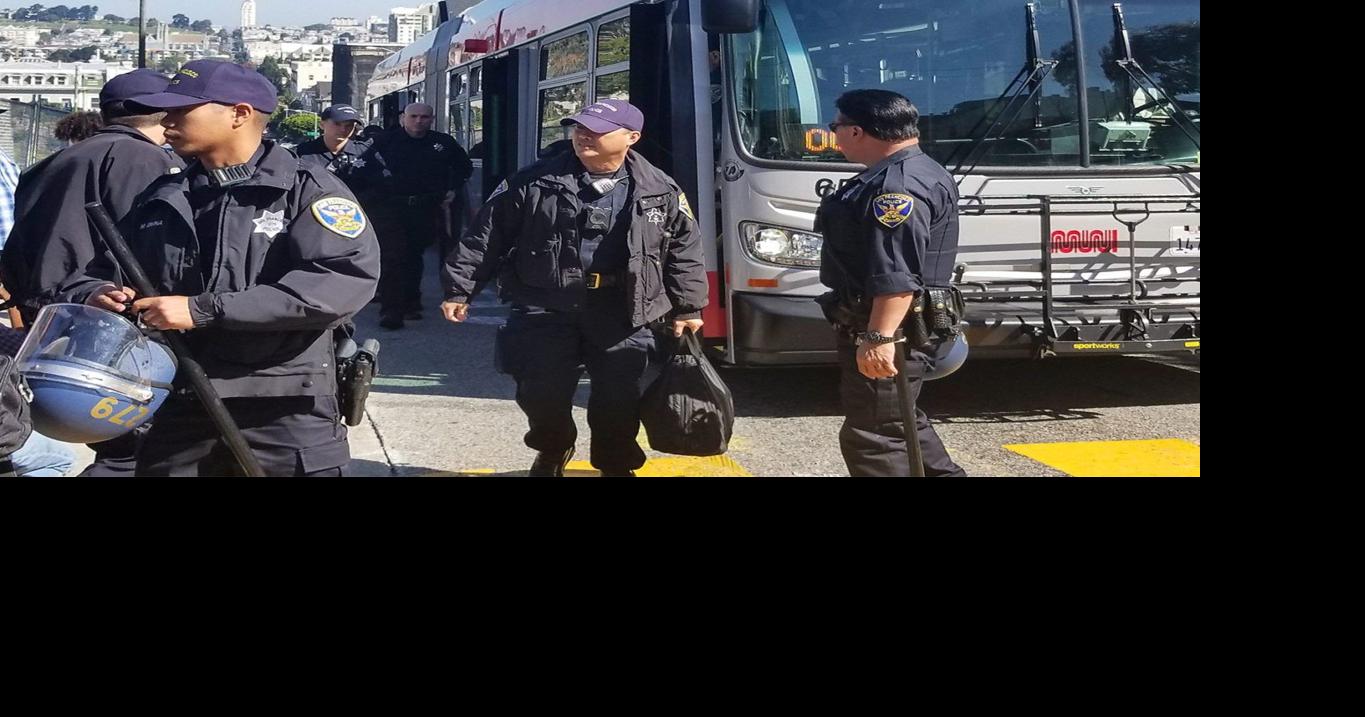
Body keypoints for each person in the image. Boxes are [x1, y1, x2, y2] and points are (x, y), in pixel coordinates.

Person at [63, 60, 380, 476]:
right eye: (164, 110)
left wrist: (201, 310)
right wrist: (100, 293)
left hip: (282, 408)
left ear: (239, 114)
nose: (167, 119)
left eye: (182, 109)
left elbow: (338, 284)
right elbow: (104, 268)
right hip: (181, 399)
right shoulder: (164, 194)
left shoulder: (307, 190)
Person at [442, 100, 707, 477]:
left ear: (632, 138)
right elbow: (487, 236)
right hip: (545, 304)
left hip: (623, 309)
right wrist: (460, 288)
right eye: (580, 127)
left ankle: (616, 464)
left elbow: (684, 249)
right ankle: (553, 447)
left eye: (597, 130)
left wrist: (688, 306)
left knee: (619, 398)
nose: (584, 135)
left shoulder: (659, 188)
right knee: (541, 394)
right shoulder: (533, 181)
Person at [0, 68, 181, 477]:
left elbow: (13, 254)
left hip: (49, 322)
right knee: (139, 450)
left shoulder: (54, 161)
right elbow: (155, 251)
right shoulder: (143, 158)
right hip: (115, 320)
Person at [815, 89, 966, 477]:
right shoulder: (919, 170)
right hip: (899, 323)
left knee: (875, 437)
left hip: (892, 327)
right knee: (899, 420)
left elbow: (896, 274)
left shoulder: (894, 188)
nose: (834, 135)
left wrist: (879, 338)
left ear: (857, 131)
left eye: (836, 126)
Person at [360, 102, 472, 329]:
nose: (418, 121)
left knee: (413, 256)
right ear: (403, 118)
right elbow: (362, 169)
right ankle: (391, 311)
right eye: (413, 116)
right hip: (390, 208)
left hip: (425, 208)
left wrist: (452, 189)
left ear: (431, 119)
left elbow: (464, 167)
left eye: (424, 117)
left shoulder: (442, 143)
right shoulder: (384, 142)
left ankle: (411, 302)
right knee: (393, 257)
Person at [295, 104, 371, 193]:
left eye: (349, 125)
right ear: (322, 124)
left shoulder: (366, 152)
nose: (343, 129)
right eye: (337, 124)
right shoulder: (302, 153)